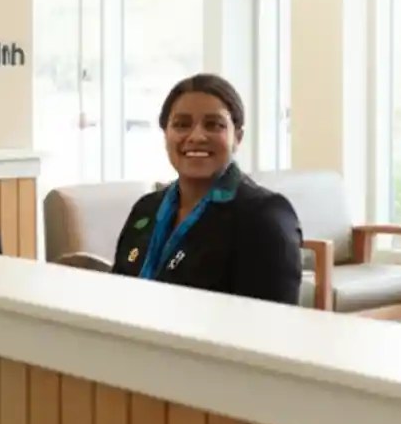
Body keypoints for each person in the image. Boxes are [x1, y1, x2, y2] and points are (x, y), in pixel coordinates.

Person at [111, 73, 304, 305]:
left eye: (214, 125)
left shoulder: (265, 216)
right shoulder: (146, 209)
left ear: (237, 138)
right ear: (166, 135)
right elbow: (117, 295)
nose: (196, 136)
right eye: (181, 125)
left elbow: (273, 325)